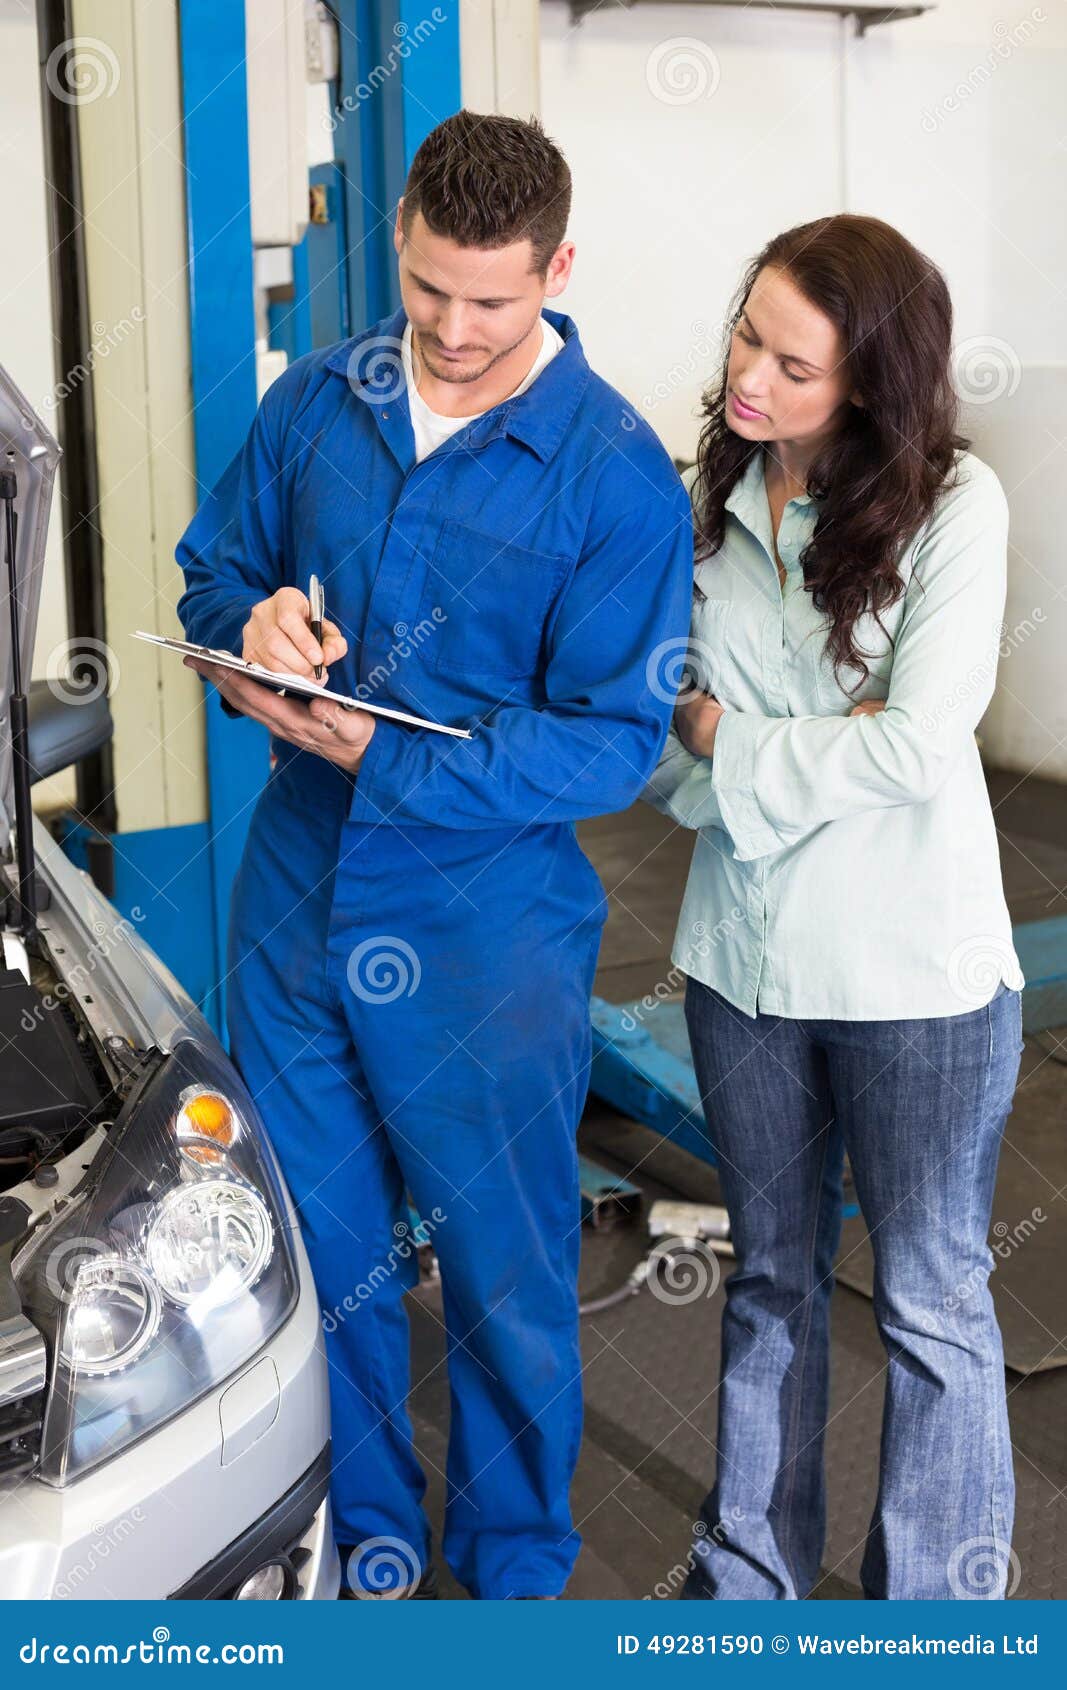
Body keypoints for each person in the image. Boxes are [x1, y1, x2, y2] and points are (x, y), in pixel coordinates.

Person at [175, 110, 693, 1600]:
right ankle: (378, 1565)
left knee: (501, 1273)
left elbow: (610, 741)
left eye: (492, 301)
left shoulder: (612, 476)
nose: (453, 333)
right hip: (296, 889)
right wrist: (249, 623)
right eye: (427, 293)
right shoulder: (320, 401)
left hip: (489, 927)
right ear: (400, 245)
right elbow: (215, 569)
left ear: (559, 269)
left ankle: (519, 1570)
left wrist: (388, 752)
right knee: (320, 1259)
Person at [642, 214, 1026, 1601]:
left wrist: (728, 740)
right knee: (771, 1277)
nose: (750, 375)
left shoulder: (955, 507)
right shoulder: (712, 495)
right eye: (748, 330)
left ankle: (932, 1605)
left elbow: (921, 746)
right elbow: (664, 739)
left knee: (929, 1300)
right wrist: (752, 739)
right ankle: (750, 1575)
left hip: (912, 975)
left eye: (791, 364)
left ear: (862, 383)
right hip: (740, 965)